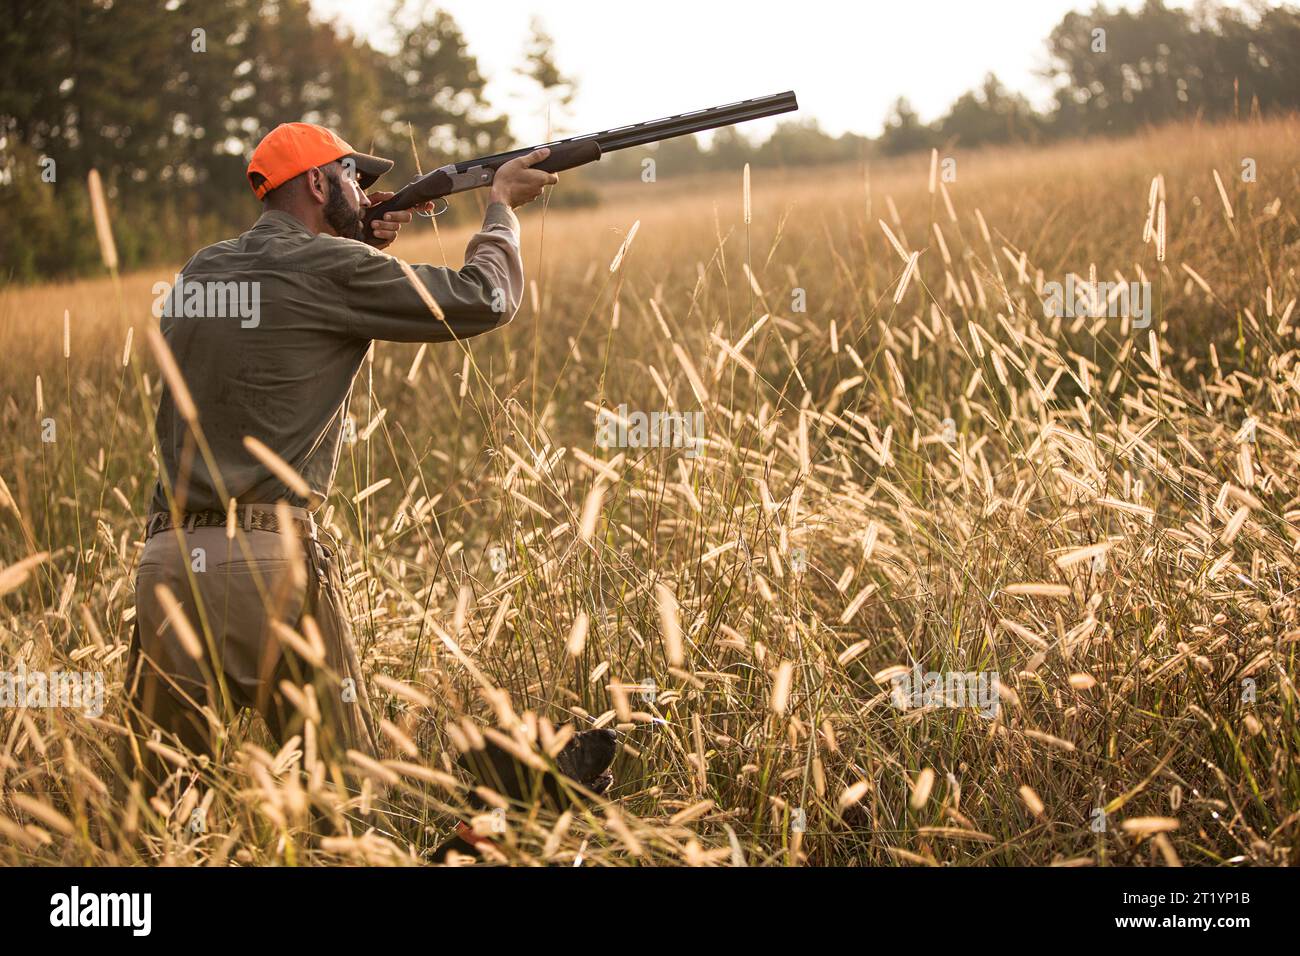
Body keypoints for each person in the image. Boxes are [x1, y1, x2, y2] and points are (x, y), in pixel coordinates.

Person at [123, 122, 557, 798]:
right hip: (268, 565)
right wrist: (500, 209)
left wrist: (350, 240)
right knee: (344, 810)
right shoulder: (334, 270)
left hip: (168, 565)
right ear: (319, 183)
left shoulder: (201, 270)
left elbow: (276, 303)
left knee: (168, 818)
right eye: (355, 177)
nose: (367, 191)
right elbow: (485, 298)